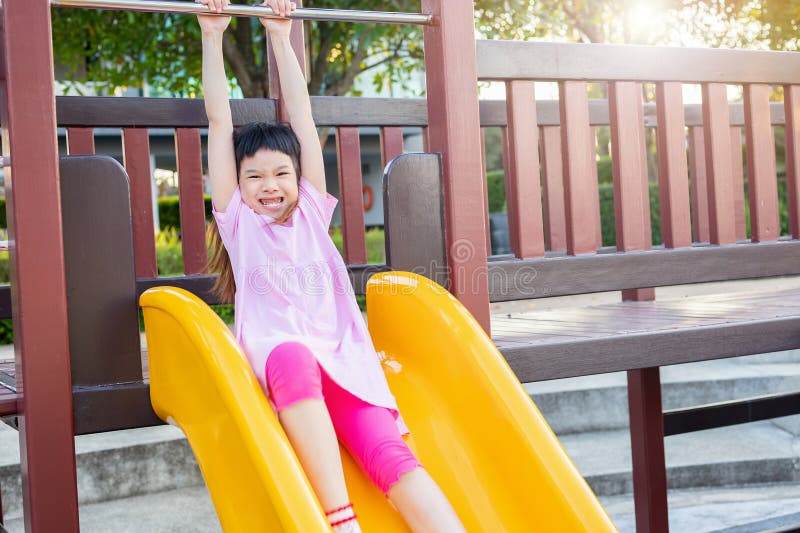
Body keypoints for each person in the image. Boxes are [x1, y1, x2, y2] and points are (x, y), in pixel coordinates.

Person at [196, 1, 465, 531]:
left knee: (390, 454)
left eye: (281, 173)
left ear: (299, 177)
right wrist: (213, 36)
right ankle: (342, 519)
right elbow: (218, 118)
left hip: (344, 361)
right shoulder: (239, 225)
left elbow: (302, 115)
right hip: (286, 358)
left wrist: (281, 36)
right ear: (238, 187)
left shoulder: (313, 213)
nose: (269, 185)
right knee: (294, 357)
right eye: (254, 177)